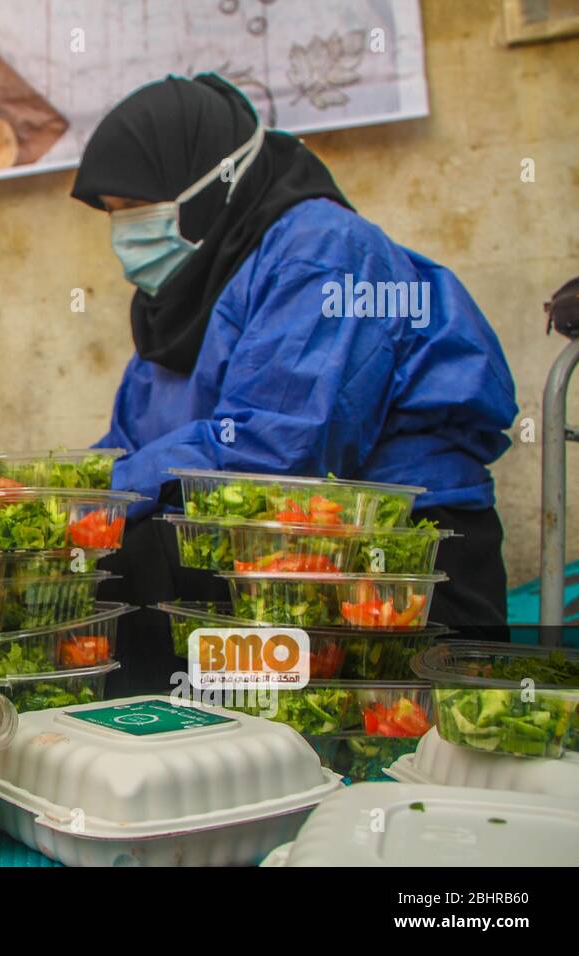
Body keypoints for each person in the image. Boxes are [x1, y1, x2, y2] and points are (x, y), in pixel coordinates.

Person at [70, 75, 518, 694]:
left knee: (126, 565)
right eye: (115, 216)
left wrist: (95, 499)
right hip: (258, 555)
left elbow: (278, 452)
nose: (125, 235)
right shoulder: (178, 296)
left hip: (399, 559)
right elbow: (132, 445)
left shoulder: (324, 252)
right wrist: (40, 499)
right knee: (67, 572)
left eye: (136, 211)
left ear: (207, 190)